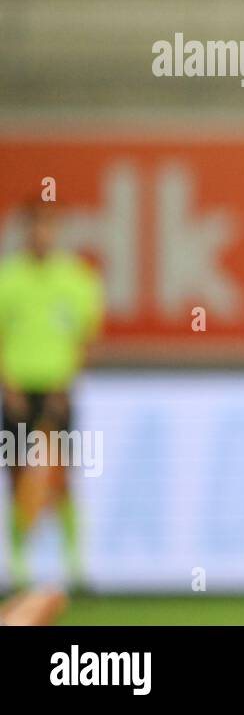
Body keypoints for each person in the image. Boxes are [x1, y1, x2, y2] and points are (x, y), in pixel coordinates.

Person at [0, 200, 104, 590]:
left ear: (56, 232)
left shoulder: (76, 279)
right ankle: (19, 568)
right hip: (17, 390)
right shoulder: (7, 278)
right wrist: (7, 384)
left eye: (47, 228)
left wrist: (67, 382)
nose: (41, 235)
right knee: (17, 476)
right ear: (24, 232)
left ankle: (76, 567)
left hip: (57, 389)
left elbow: (86, 337)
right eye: (34, 228)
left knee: (61, 477)